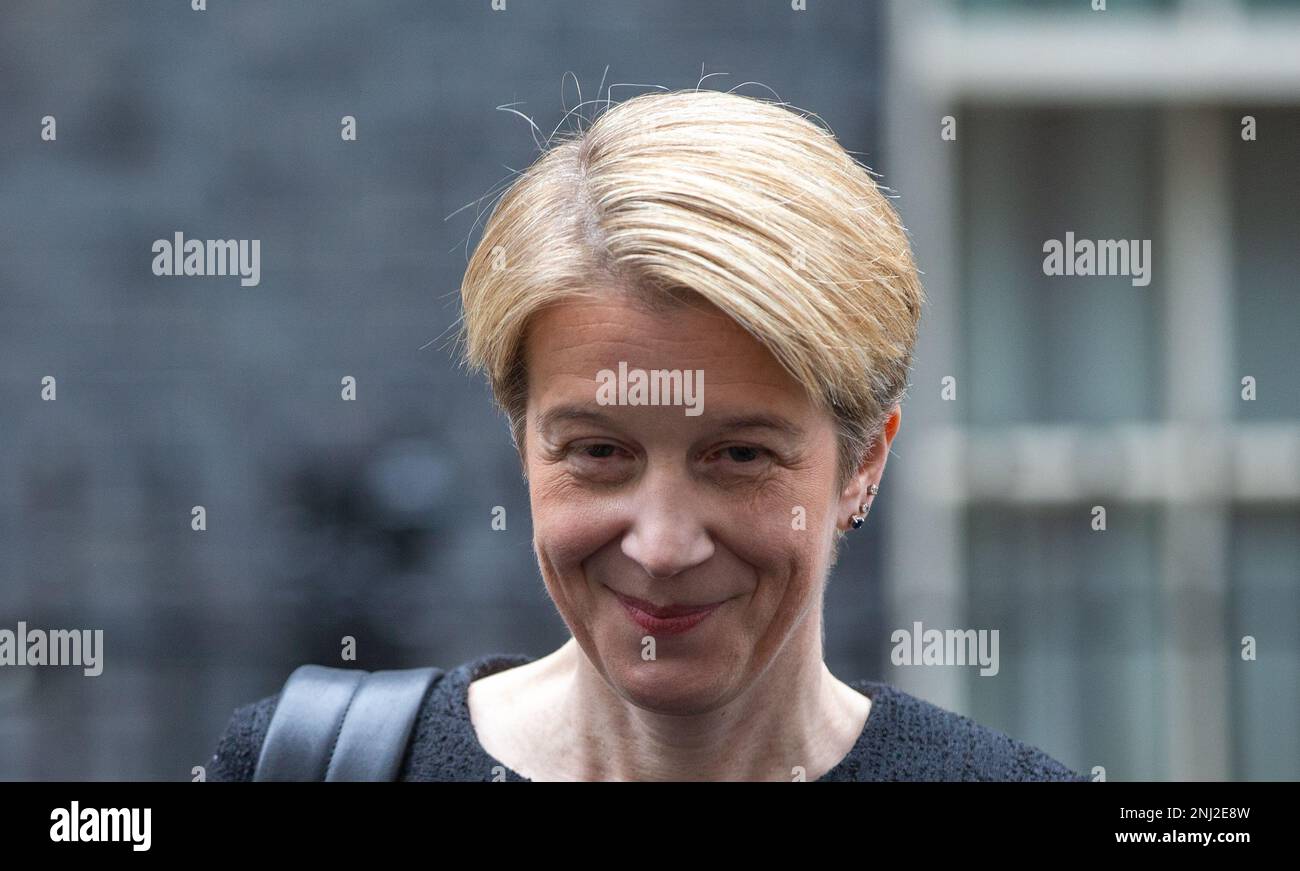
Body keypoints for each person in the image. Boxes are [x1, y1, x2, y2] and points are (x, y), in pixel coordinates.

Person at [208, 89, 1086, 781]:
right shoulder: (306, 764)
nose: (664, 546)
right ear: (523, 443)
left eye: (739, 456)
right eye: (598, 452)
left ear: (864, 463)